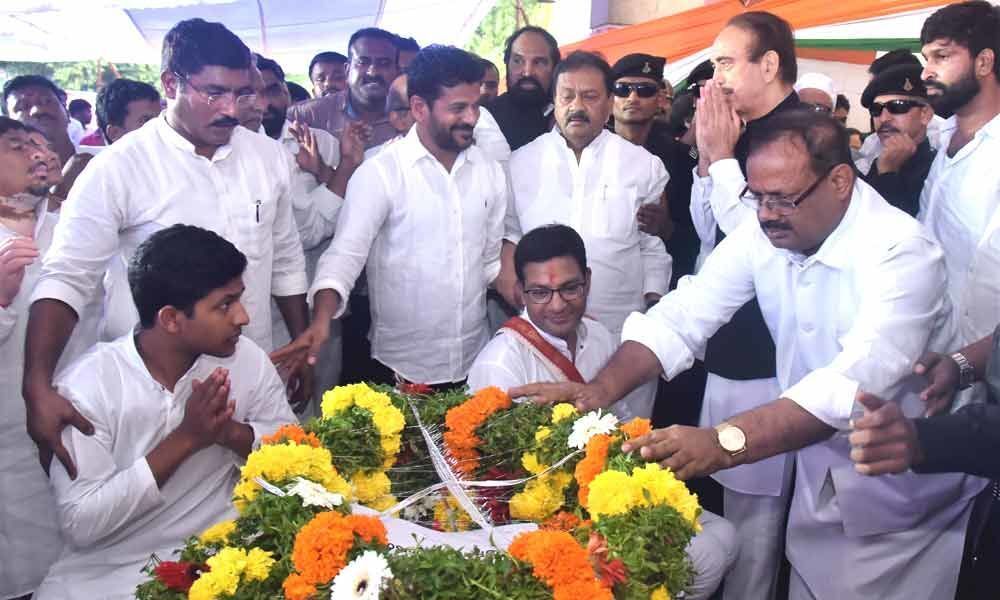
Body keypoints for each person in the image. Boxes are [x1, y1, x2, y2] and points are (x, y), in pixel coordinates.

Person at [513, 110, 983, 600]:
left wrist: (722, 443)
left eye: (782, 198)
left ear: (840, 181)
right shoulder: (766, 230)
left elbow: (850, 385)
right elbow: (684, 314)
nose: (765, 214)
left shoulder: (902, 252)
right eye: (757, 197)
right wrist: (598, 391)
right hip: (819, 476)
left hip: (903, 498)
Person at [23, 17, 309, 482]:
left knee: (256, 514)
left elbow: (286, 255)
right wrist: (37, 385)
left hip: (254, 366)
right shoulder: (118, 168)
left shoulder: (267, 156)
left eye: (242, 94)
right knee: (164, 525)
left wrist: (300, 346)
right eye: (213, 93)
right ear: (170, 84)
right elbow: (67, 278)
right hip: (155, 388)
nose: (231, 110)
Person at [468, 223, 738, 600]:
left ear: (588, 281)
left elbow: (622, 422)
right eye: (541, 293)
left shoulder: (599, 335)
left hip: (606, 490)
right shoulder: (500, 364)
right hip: (545, 513)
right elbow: (492, 480)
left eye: (570, 288)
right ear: (520, 292)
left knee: (724, 535)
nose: (558, 304)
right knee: (703, 551)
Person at [33, 224, 296, 600]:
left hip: (222, 552)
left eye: (239, 298)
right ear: (171, 319)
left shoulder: (246, 358)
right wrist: (187, 439)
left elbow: (294, 455)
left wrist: (228, 433)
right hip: (111, 569)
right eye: (224, 304)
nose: (243, 317)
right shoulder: (90, 385)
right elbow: (82, 522)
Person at [280, 45, 506, 389]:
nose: (472, 118)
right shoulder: (380, 173)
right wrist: (322, 319)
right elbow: (344, 256)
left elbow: (491, 263)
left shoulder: (489, 172)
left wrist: (537, 300)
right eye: (458, 108)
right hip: (398, 369)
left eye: (475, 106)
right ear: (419, 107)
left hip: (475, 361)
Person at [687, 13, 798, 599]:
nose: (717, 76)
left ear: (770, 64)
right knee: (728, 503)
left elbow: (766, 243)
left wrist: (723, 157)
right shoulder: (742, 130)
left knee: (758, 522)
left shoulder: (799, 136)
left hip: (770, 362)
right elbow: (712, 237)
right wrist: (712, 160)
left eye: (727, 62)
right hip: (729, 348)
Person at [501, 51, 671, 422]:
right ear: (554, 101)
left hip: (621, 333)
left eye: (590, 97)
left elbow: (651, 245)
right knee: (547, 440)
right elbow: (510, 236)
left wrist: (655, 305)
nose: (577, 106)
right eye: (567, 96)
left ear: (609, 104)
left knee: (625, 440)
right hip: (544, 335)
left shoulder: (644, 166)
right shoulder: (519, 163)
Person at [251, 54, 360, 416]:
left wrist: (326, 171)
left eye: (273, 90)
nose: (264, 103)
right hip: (253, 309)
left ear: (287, 90)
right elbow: (305, 230)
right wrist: (333, 175)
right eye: (254, 92)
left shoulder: (322, 142)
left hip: (317, 305)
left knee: (320, 406)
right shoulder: (231, 155)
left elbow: (339, 224)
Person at [918, 0, 1000, 405]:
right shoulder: (943, 138)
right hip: (930, 358)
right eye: (925, 57)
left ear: (984, 62)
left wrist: (967, 363)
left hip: (983, 380)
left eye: (942, 56)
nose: (925, 71)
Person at [0, 116, 64, 600]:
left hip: (81, 420)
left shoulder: (73, 226)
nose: (39, 153)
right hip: (10, 442)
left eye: (41, 143)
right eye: (19, 145)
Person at [609, 53, 700, 286]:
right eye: (622, 89)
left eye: (645, 90)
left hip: (664, 285)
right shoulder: (589, 152)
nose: (633, 97)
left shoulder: (681, 160)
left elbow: (701, 238)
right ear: (610, 98)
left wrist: (667, 229)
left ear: (660, 99)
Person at [289, 28, 399, 150]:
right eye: (363, 62)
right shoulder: (308, 115)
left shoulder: (411, 115)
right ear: (347, 70)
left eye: (384, 63)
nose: (372, 72)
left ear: (397, 70)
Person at [860, 64, 935, 216]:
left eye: (898, 106)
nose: (883, 118)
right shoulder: (881, 159)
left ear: (925, 114)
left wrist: (888, 173)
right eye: (876, 109)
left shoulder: (936, 170)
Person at [487, 25, 560, 151]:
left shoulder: (569, 118)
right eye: (518, 61)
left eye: (539, 62)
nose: (527, 72)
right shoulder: (486, 120)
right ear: (506, 64)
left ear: (555, 67)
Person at [78, 78, 162, 148]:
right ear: (115, 133)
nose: (159, 127)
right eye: (146, 121)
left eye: (161, 119)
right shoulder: (99, 166)